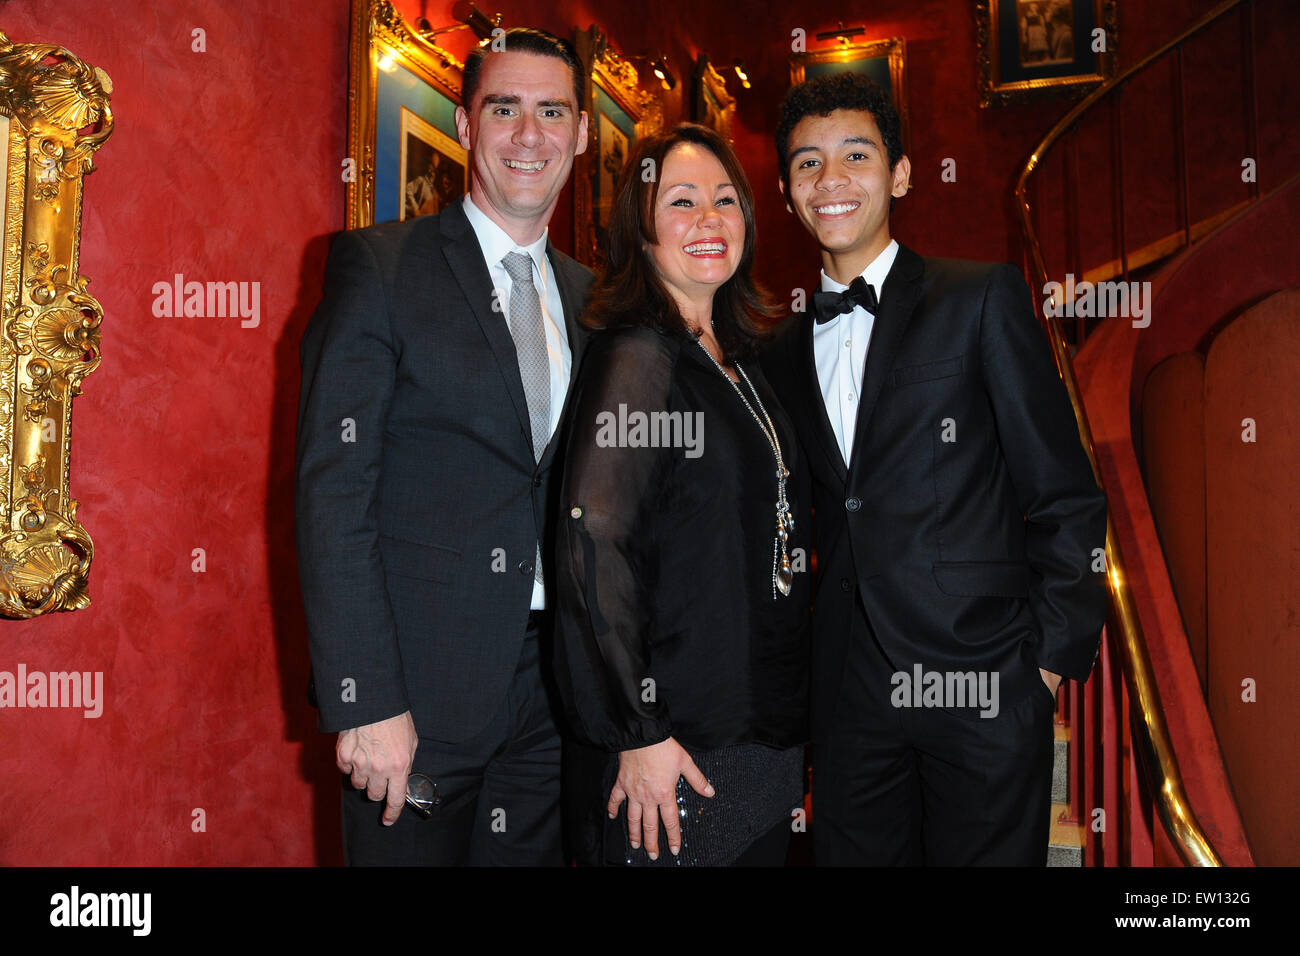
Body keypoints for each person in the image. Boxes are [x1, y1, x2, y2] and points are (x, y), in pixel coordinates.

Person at [761, 73, 1107, 865]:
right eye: (807, 163)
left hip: (984, 686)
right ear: (786, 193)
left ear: (902, 173)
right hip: (849, 698)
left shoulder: (979, 298)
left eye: (856, 154)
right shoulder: (776, 350)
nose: (832, 179)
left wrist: (1045, 670)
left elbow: (1064, 496)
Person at [295, 27, 592, 866]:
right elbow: (333, 495)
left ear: (580, 132)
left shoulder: (591, 297)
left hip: (553, 700)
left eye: (550, 112)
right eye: (504, 109)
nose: (528, 135)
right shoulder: (379, 269)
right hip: (414, 699)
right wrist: (366, 699)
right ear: (465, 125)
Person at [552, 123, 811, 867]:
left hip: (762, 730)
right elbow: (593, 545)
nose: (710, 220)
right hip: (679, 743)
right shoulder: (639, 353)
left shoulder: (741, 360)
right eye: (683, 201)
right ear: (640, 226)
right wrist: (639, 731)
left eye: (726, 201)